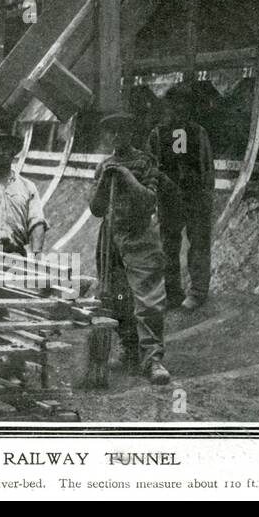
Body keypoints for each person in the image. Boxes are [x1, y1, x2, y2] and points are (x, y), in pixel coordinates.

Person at [90, 111, 170, 385]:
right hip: (111, 236)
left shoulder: (145, 162)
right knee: (115, 297)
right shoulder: (103, 166)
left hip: (139, 236)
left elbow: (149, 201)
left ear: (131, 134)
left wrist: (126, 176)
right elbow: (96, 209)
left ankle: (154, 359)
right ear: (106, 136)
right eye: (111, 132)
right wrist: (104, 180)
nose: (116, 136)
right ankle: (129, 349)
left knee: (148, 300)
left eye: (122, 131)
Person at [146, 82, 216, 310]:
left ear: (189, 107)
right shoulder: (158, 134)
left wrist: (206, 196)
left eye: (183, 105)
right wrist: (156, 197)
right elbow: (151, 167)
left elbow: (207, 167)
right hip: (169, 199)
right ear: (168, 107)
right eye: (174, 105)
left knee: (198, 245)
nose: (178, 110)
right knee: (168, 247)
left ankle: (197, 292)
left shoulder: (198, 132)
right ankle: (172, 292)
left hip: (195, 198)